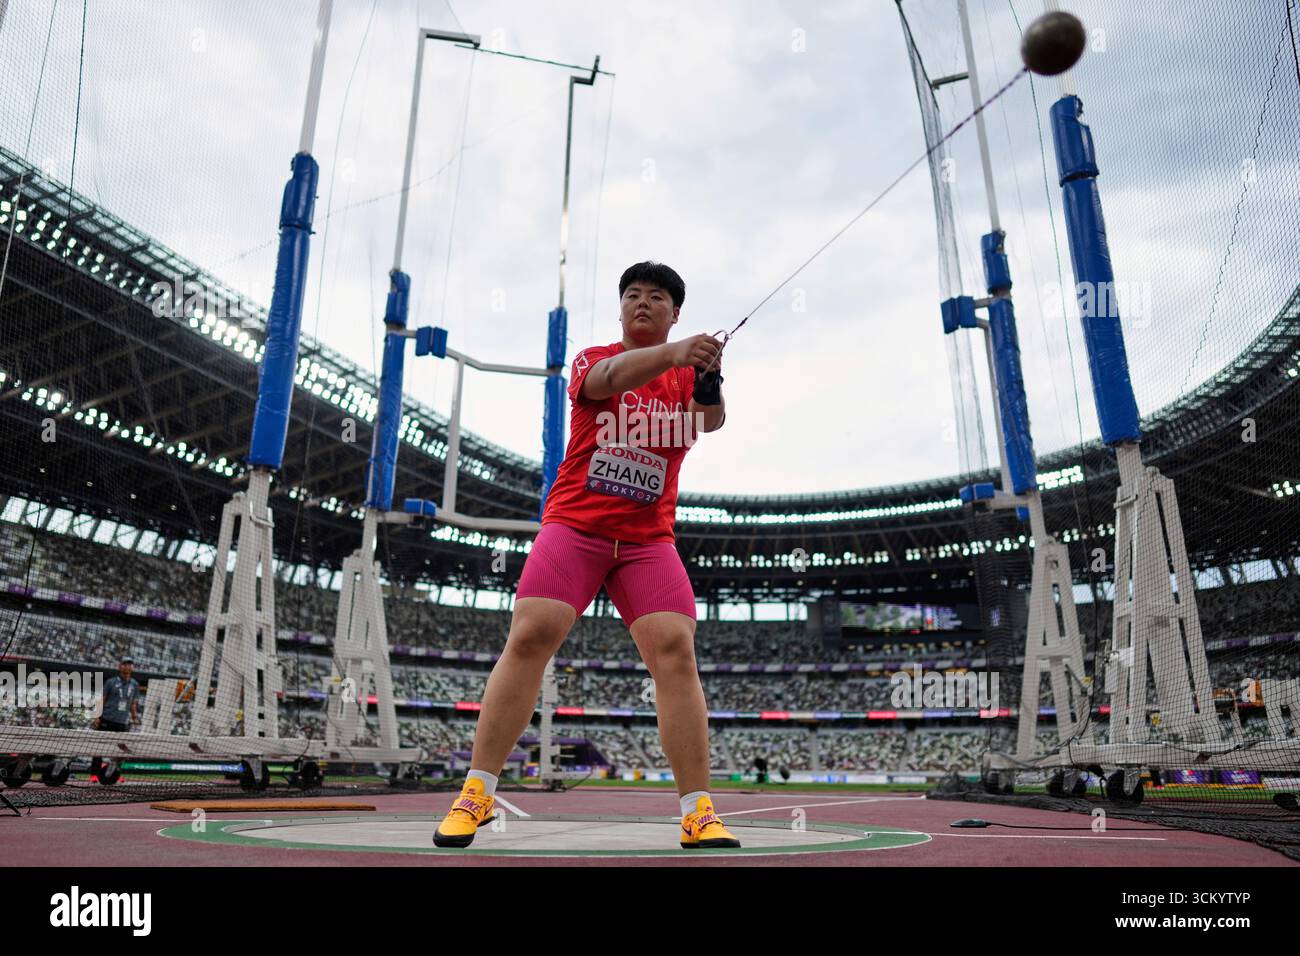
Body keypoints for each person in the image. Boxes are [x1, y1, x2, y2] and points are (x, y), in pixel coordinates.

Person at [435, 261, 740, 849]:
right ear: (620, 308)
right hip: (576, 526)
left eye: (657, 296)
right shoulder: (593, 359)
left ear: (675, 312)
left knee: (676, 651)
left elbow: (710, 422)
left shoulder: (683, 374)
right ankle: (475, 793)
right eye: (633, 294)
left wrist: (707, 380)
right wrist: (678, 353)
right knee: (531, 634)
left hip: (647, 540)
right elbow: (609, 379)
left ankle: (698, 812)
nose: (643, 302)